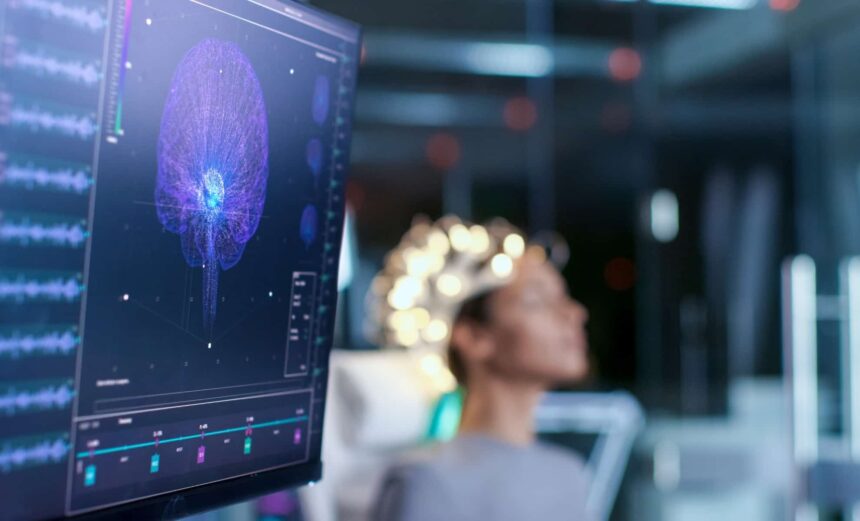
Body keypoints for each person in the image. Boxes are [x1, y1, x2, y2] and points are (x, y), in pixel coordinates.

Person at [373, 249, 593, 521]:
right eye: (537, 300)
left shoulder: (567, 473)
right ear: (473, 336)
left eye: (564, 298)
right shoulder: (426, 482)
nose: (575, 314)